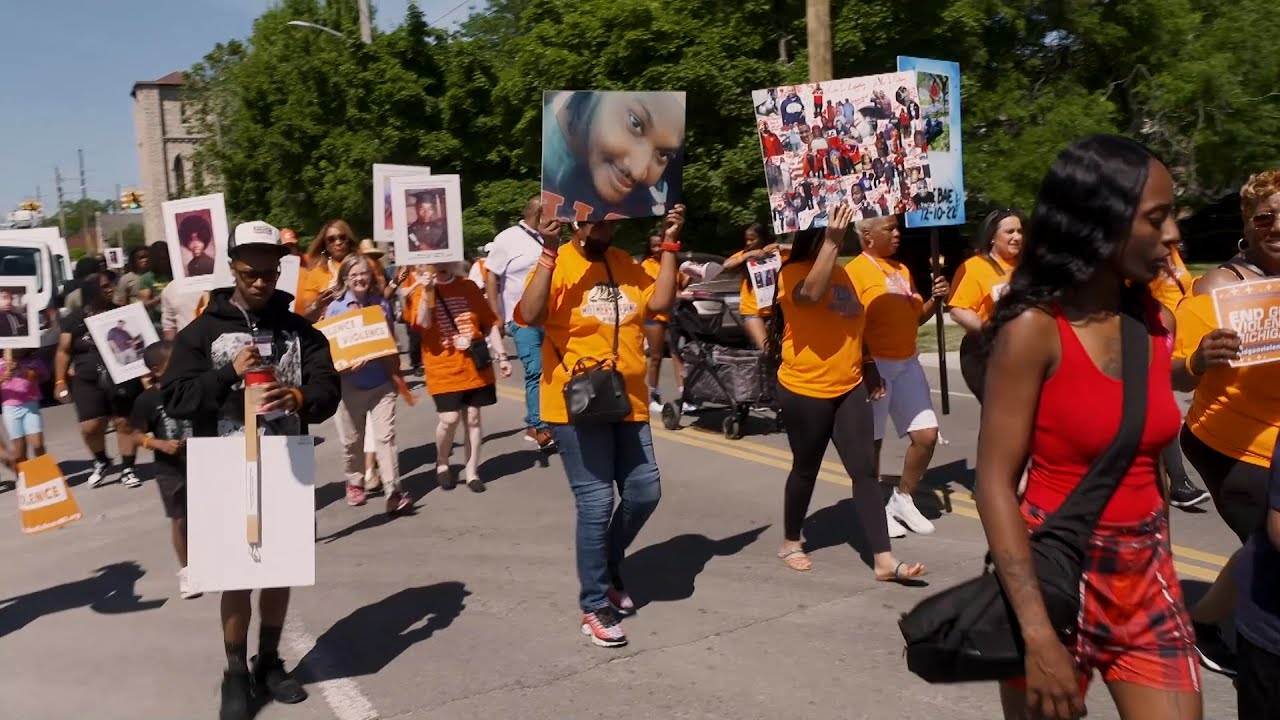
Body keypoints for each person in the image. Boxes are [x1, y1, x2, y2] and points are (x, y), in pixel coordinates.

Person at [976, 136, 1200, 720]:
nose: (1173, 234)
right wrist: (1037, 634)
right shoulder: (1033, 329)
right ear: (1100, 223)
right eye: (1156, 218)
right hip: (1053, 578)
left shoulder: (1155, 321)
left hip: (1145, 579)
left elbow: (1149, 463)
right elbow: (995, 483)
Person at [162, 221, 340, 720]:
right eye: (250, 272)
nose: (260, 281)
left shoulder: (297, 330)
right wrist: (226, 373)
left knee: (280, 569)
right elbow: (174, 399)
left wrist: (301, 395)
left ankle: (270, 662)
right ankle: (235, 673)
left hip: (286, 462)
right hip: (225, 466)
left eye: (269, 271)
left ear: (279, 269)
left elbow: (328, 385)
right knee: (237, 575)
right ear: (233, 268)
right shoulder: (203, 332)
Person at [516, 204, 684, 648]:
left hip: (627, 399)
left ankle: (607, 565)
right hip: (574, 403)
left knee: (645, 490)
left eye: (614, 221)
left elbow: (661, 303)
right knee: (595, 504)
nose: (608, 228)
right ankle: (594, 603)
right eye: (600, 220)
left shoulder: (625, 262)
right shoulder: (559, 259)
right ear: (578, 219)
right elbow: (531, 315)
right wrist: (548, 253)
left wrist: (669, 242)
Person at [766, 205, 925, 581]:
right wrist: (833, 241)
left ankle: (884, 560)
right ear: (817, 238)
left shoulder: (843, 275)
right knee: (806, 468)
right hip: (805, 388)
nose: (839, 241)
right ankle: (790, 541)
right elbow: (810, 296)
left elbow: (855, 326)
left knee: (865, 472)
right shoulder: (791, 273)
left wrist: (868, 366)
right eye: (831, 235)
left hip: (849, 385)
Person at [1173, 168, 1280, 678]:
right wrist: (1199, 359)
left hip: (1277, 439)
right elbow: (1174, 375)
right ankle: (1214, 627)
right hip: (1229, 441)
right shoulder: (1219, 286)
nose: (1277, 226)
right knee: (1271, 543)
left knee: (1267, 544)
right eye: (1266, 217)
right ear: (1248, 223)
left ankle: (1206, 621)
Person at [845, 215, 949, 538]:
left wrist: (936, 299)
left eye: (896, 227)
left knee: (927, 436)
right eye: (889, 228)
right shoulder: (853, 273)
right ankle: (873, 509)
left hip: (907, 364)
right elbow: (849, 326)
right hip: (874, 365)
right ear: (867, 235)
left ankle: (902, 499)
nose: (897, 233)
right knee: (872, 446)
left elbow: (915, 318)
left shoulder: (901, 270)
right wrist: (867, 364)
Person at [405, 260, 511, 493]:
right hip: (442, 368)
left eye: (446, 261)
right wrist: (428, 292)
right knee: (449, 419)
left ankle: (472, 470)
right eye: (435, 263)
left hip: (474, 365)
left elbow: (489, 322)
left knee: (473, 418)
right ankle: (442, 462)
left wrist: (501, 355)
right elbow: (422, 322)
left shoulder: (469, 287)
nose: (441, 266)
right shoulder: (422, 289)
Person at [324, 254, 409, 513]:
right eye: (354, 275)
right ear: (346, 279)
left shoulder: (380, 304)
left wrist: (394, 372)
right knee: (352, 441)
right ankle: (355, 482)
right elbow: (331, 349)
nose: (360, 278)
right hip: (349, 384)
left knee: (386, 437)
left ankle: (393, 489)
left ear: (370, 276)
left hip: (380, 382)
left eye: (364, 273)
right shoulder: (336, 308)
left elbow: (388, 340)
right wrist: (347, 362)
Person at [55, 272, 143, 489]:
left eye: (110, 285)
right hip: (87, 379)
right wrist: (60, 381)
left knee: (123, 422)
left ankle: (128, 468)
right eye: (104, 286)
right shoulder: (74, 319)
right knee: (90, 427)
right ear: (91, 291)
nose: (110, 289)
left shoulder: (119, 313)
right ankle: (102, 460)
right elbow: (63, 351)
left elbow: (138, 340)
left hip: (120, 377)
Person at [541, 91, 686, 221]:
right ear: (595, 95)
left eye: (662, 154)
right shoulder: (543, 153)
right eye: (635, 123)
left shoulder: (648, 200)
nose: (638, 172)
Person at [1144, 245, 1213, 510]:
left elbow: (1183, 289)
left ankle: (1170, 484)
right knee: (1159, 406)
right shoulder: (1136, 254)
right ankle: (1179, 482)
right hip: (1152, 334)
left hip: (1177, 334)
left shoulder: (1170, 250)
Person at [130, 340, 199, 599]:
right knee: (180, 520)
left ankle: (215, 562)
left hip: (201, 461)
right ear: (157, 370)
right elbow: (134, 435)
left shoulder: (194, 388)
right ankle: (188, 573)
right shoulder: (147, 400)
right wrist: (157, 443)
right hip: (170, 469)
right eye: (175, 363)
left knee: (208, 514)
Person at [485, 197, 556, 449]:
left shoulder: (553, 238)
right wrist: (496, 316)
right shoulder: (507, 239)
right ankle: (539, 426)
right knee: (535, 369)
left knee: (553, 371)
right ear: (538, 214)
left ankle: (543, 418)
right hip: (521, 318)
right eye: (550, 214)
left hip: (550, 317)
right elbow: (491, 276)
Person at [948, 208, 1024, 400]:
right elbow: (958, 310)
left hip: (1024, 349)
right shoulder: (975, 268)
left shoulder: (1026, 267)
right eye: (1010, 232)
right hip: (986, 352)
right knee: (1002, 412)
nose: (1017, 237)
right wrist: (989, 330)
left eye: (1020, 231)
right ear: (992, 237)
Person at [641, 228, 692, 414]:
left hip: (674, 315)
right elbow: (658, 291)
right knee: (656, 357)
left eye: (660, 245)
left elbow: (679, 284)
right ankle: (653, 395)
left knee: (678, 354)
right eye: (653, 246)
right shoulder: (647, 265)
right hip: (654, 317)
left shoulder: (671, 263)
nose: (657, 249)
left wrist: (691, 274)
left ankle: (684, 395)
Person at [725, 223, 787, 351]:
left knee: (781, 349)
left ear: (762, 238)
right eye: (746, 239)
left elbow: (805, 251)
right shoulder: (744, 254)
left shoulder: (776, 253)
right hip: (751, 311)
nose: (748, 242)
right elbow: (727, 265)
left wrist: (779, 246)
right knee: (766, 349)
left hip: (774, 311)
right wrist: (748, 255)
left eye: (752, 239)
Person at [296, 219, 358, 322]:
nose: (338, 242)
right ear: (325, 245)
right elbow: (306, 316)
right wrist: (319, 304)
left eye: (342, 237)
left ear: (349, 240)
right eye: (331, 239)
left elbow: (379, 300)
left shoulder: (364, 265)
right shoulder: (317, 273)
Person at [0, 348, 47, 466]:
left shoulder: (33, 362)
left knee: (37, 444)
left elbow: (40, 378)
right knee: (19, 450)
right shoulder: (1, 364)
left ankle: (44, 470)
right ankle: (24, 477)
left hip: (30, 406)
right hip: (10, 409)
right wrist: (2, 378)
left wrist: (21, 368)